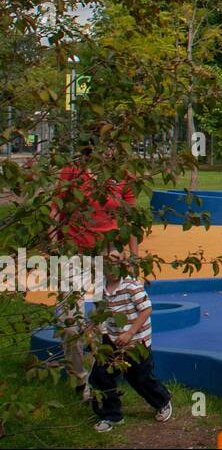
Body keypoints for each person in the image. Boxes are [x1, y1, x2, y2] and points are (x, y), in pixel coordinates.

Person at [48, 132, 139, 398]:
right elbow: (55, 210)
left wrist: (132, 258)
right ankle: (80, 380)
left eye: (113, 146)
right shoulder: (72, 172)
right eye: (104, 146)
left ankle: (105, 380)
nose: (110, 151)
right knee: (70, 322)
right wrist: (55, 245)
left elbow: (130, 218)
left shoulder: (122, 175)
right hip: (73, 250)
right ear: (91, 148)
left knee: (108, 320)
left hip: (109, 251)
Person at [88, 249, 172, 433]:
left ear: (123, 266)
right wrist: (97, 333)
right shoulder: (99, 287)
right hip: (112, 340)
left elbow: (146, 310)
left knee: (140, 377)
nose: (111, 269)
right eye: (107, 264)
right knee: (100, 375)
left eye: (115, 264)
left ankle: (162, 401)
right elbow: (99, 312)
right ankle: (110, 415)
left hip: (136, 342)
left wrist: (130, 332)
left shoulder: (131, 285)